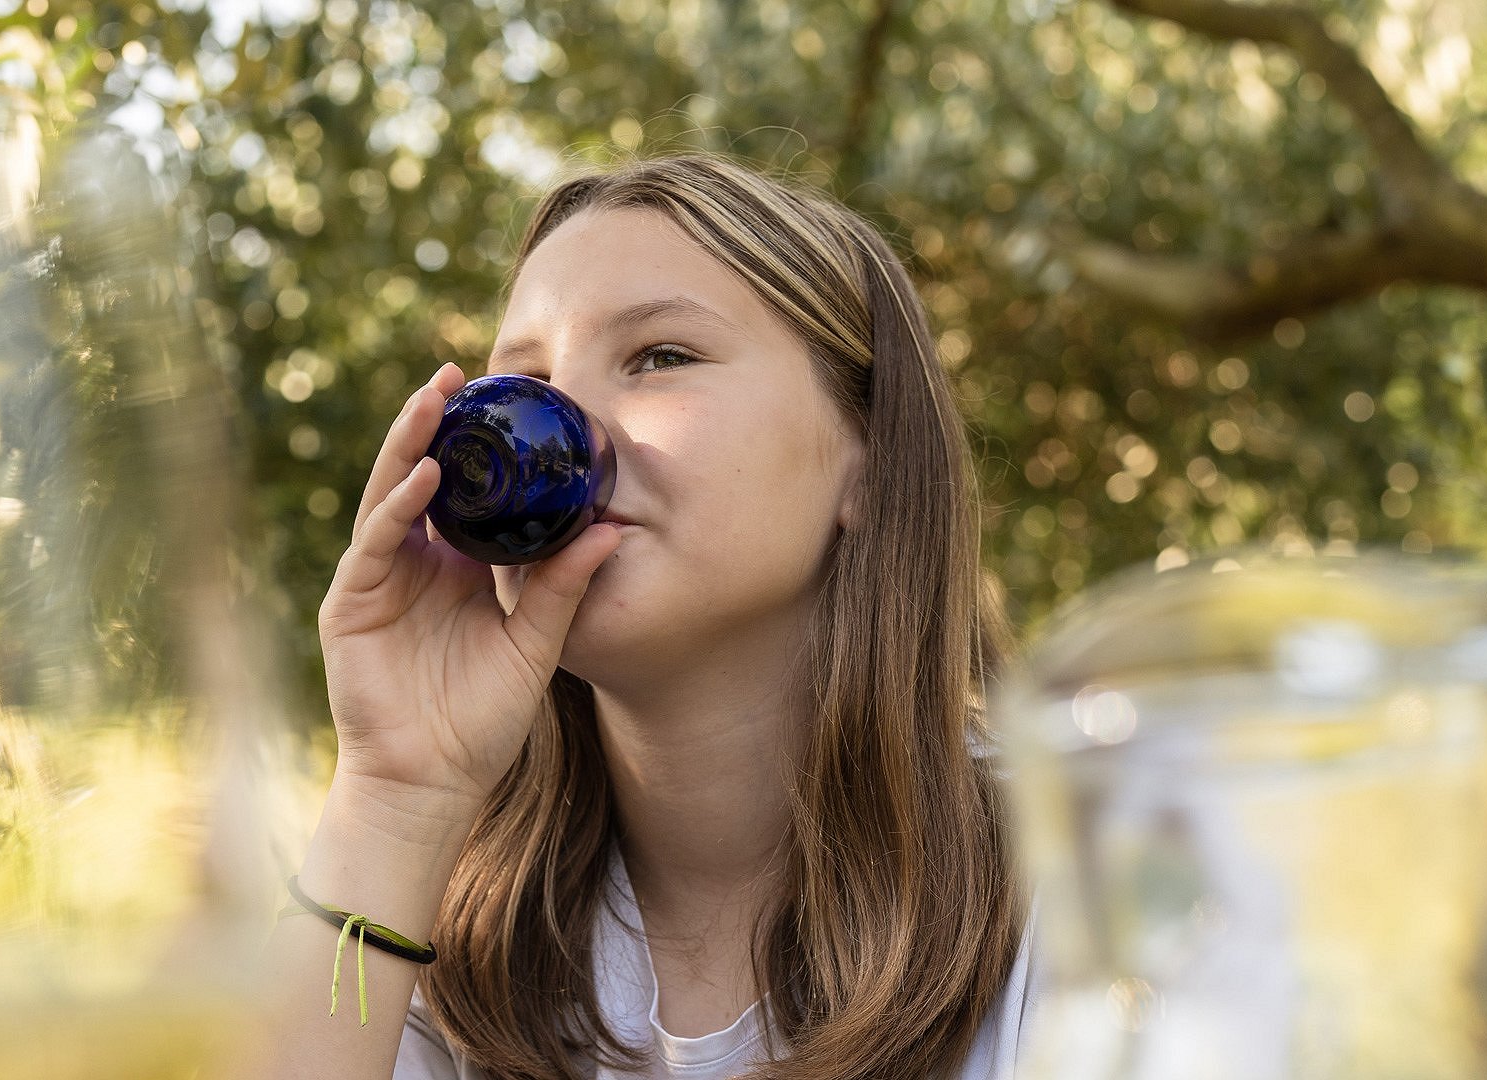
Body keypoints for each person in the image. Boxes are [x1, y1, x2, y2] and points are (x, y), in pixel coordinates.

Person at [251, 152, 1043, 1080]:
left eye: (661, 356)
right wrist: (395, 797)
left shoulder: (1087, 883)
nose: (559, 422)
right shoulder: (437, 927)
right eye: (524, 379)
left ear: (867, 461)